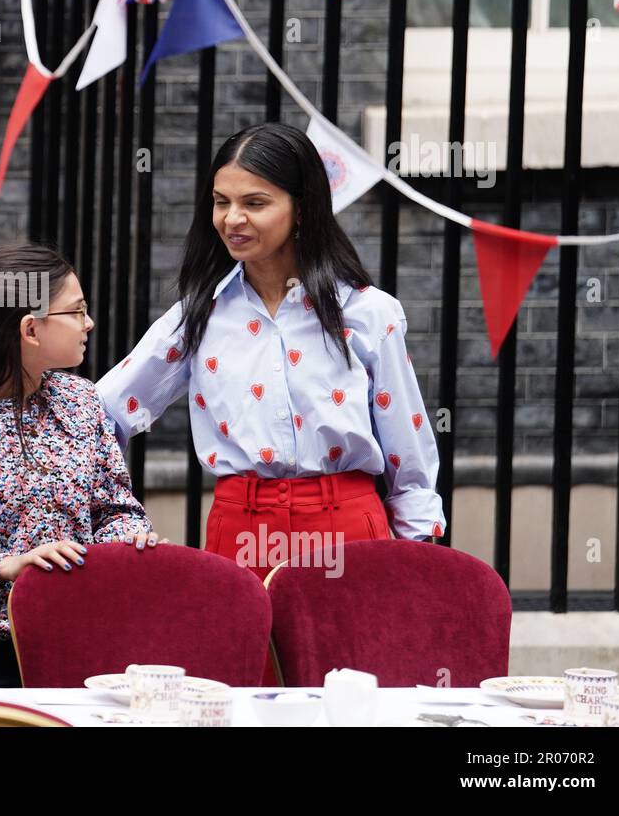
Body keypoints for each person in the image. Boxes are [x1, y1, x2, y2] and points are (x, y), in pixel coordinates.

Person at [98, 121, 447, 582]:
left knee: (347, 656)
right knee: (247, 656)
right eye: (222, 202)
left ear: (301, 209)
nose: (232, 219)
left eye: (254, 203)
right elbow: (102, 412)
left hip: (348, 533)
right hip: (239, 531)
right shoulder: (198, 315)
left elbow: (409, 448)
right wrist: (116, 519)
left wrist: (419, 551)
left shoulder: (366, 312)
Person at [0, 245, 164, 689]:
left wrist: (131, 540)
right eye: (76, 311)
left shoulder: (83, 402)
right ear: (30, 329)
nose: (88, 323)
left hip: (76, 642)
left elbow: (113, 509)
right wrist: (6, 565)